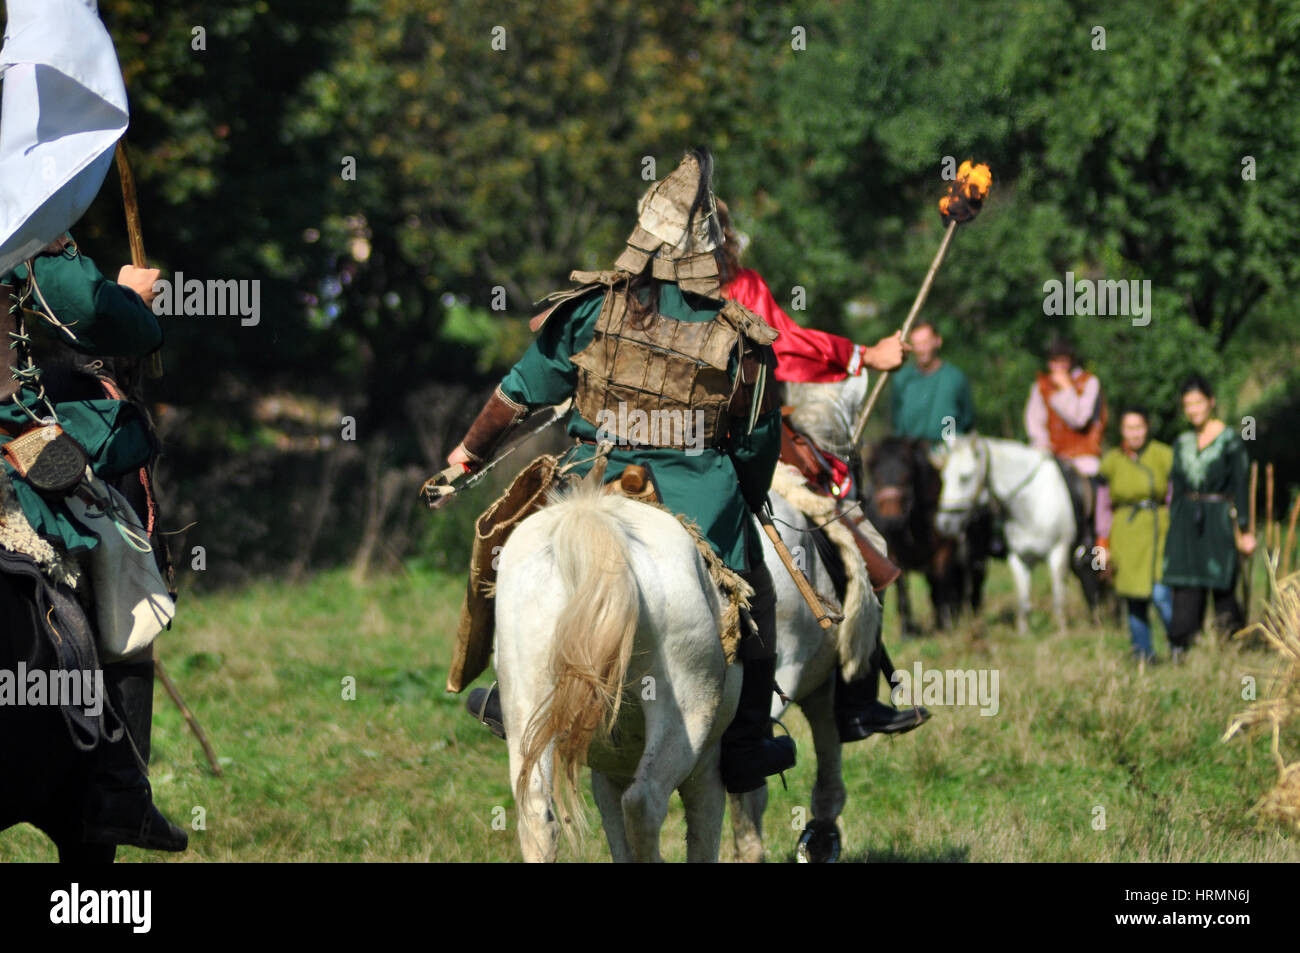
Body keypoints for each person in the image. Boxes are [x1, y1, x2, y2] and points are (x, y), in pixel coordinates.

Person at [450, 150, 798, 793]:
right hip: (700, 494)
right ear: (711, 249)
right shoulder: (739, 336)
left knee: (517, 554)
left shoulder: (592, 309)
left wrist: (469, 451)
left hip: (593, 476)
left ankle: (508, 692)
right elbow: (755, 443)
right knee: (760, 596)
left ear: (642, 233)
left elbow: (520, 389)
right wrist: (743, 501)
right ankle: (748, 741)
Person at [714, 199, 928, 740]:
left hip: (637, 446)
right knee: (858, 541)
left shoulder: (632, 287)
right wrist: (862, 356)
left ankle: (517, 695)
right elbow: (782, 345)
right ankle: (857, 704)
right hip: (731, 444)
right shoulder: (736, 283)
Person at [0, 233, 187, 851]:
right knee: (118, 547)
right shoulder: (20, 206)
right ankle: (117, 790)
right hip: (11, 435)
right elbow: (93, 312)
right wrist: (130, 297)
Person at [1162, 375, 1254, 657]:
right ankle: (1182, 646)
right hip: (1186, 521)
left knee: (1222, 581)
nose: (1193, 410)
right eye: (1187, 405)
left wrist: (1245, 529)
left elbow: (1240, 485)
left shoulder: (1230, 441)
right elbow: (1176, 488)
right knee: (1186, 582)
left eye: (1198, 403)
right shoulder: (1181, 442)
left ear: (1211, 402)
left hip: (1219, 520)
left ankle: (1230, 645)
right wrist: (1173, 524)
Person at [1095, 408, 1174, 663]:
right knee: (1133, 597)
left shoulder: (1164, 455)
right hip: (1125, 533)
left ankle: (1179, 646)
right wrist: (1102, 544)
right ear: (1122, 430)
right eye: (1129, 428)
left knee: (1161, 594)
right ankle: (1143, 653)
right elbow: (1102, 507)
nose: (1134, 433)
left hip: (1158, 529)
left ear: (1147, 427)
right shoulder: (1112, 462)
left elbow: (1174, 497)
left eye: (1138, 427)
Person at [890, 320, 975, 444]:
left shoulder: (955, 378)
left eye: (926, 343)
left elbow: (967, 419)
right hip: (911, 454)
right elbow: (896, 421)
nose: (922, 349)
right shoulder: (902, 379)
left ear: (937, 341)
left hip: (947, 452)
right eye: (917, 344)